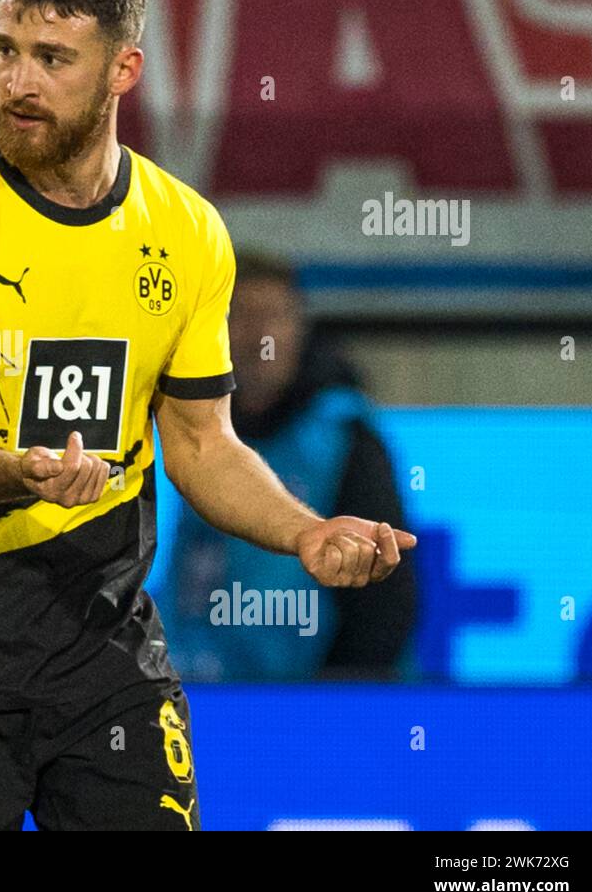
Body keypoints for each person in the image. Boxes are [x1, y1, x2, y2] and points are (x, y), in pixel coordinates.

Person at [0, 0, 416, 831]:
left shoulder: (187, 231)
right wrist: (17, 470)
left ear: (124, 68)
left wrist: (305, 532)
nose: (19, 82)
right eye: (6, 52)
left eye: (53, 58)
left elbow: (203, 442)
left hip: (103, 640)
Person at [150, 250, 418, 680]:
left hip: (317, 706)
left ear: (300, 330)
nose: (259, 335)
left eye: (275, 316)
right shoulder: (191, 432)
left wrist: (333, 705)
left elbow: (384, 596)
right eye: (242, 315)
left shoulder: (346, 437)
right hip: (205, 700)